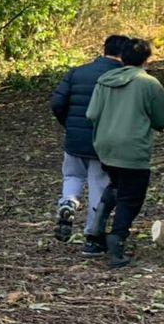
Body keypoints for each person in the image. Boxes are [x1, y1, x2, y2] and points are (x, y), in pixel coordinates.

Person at [86, 38, 164, 267]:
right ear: (147, 59)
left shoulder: (104, 80)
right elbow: (162, 119)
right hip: (132, 149)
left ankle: (96, 229)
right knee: (131, 198)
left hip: (105, 146)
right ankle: (116, 244)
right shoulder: (149, 83)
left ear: (122, 58)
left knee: (115, 186)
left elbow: (91, 114)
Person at [49, 35, 127, 255]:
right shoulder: (120, 77)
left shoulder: (77, 72)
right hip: (102, 142)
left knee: (72, 176)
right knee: (98, 186)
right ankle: (93, 239)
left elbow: (57, 102)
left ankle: (68, 202)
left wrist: (69, 124)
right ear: (123, 54)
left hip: (74, 139)